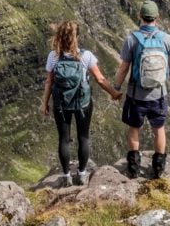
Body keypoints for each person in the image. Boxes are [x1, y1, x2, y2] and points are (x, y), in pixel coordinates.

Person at [40, 20, 122, 187]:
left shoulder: (53, 56)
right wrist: (114, 93)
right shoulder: (86, 56)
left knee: (63, 139)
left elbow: (49, 81)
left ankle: (66, 176)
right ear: (76, 37)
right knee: (83, 137)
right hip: (82, 103)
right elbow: (99, 79)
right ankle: (82, 174)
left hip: (61, 104)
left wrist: (44, 103)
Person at [112, 0, 170, 179]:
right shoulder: (167, 39)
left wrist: (116, 88)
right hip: (159, 95)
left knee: (134, 129)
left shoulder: (132, 39)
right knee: (159, 129)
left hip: (136, 95)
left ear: (139, 16)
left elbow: (124, 67)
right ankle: (158, 168)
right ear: (157, 17)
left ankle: (134, 169)